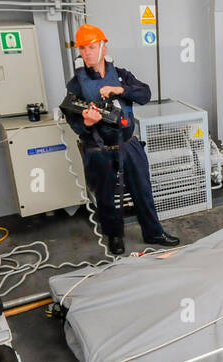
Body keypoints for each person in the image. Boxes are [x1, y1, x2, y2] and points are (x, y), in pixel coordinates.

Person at [64, 23, 180, 256]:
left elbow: (145, 94)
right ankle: (115, 237)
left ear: (103, 48)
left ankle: (153, 232)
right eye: (83, 48)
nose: (87, 52)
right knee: (106, 197)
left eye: (92, 47)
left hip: (129, 145)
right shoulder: (76, 84)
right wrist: (86, 123)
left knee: (143, 191)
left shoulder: (122, 75)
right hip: (98, 149)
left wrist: (120, 90)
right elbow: (71, 117)